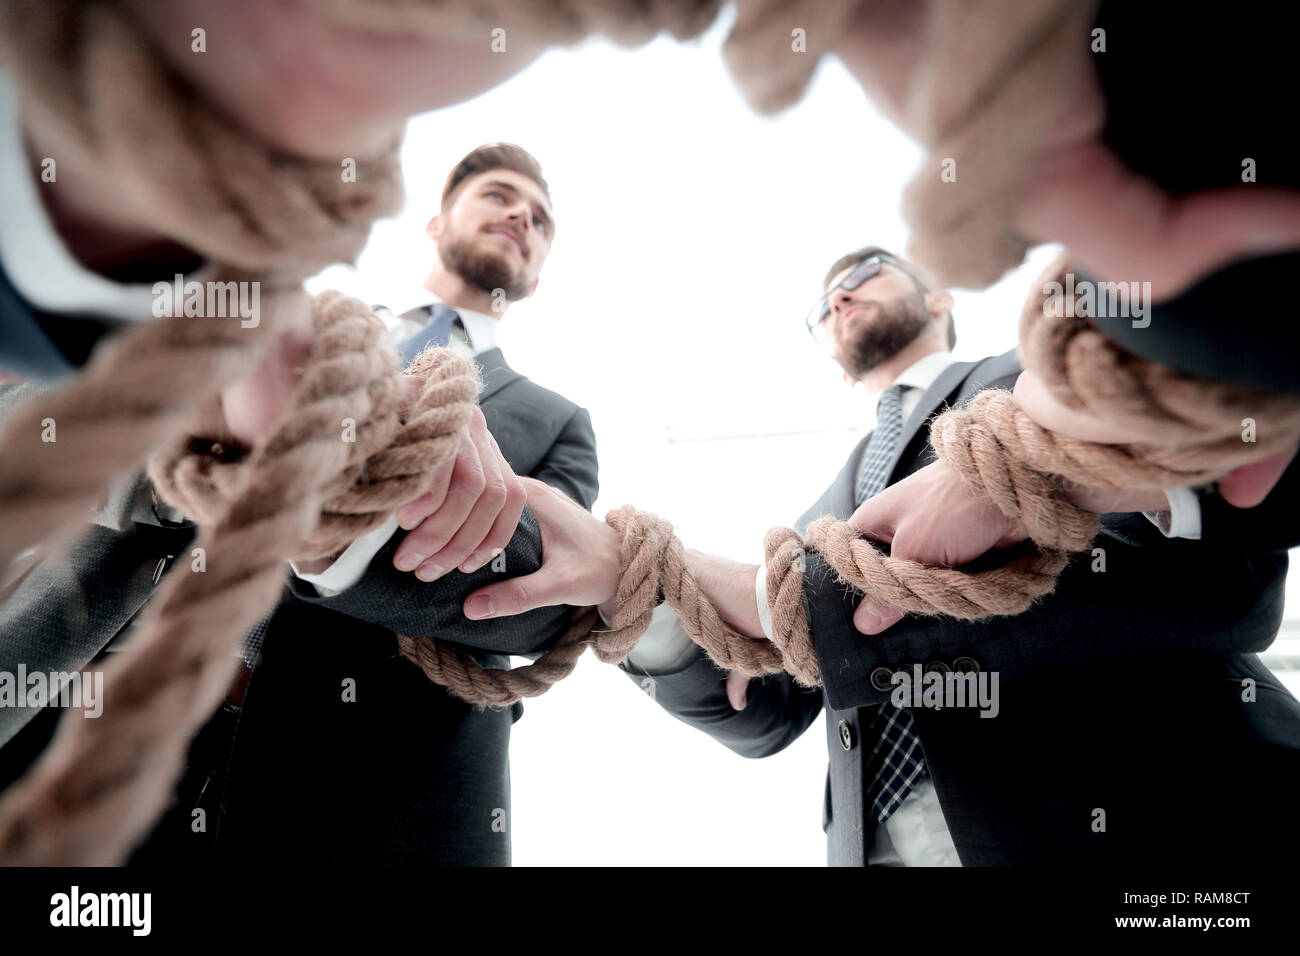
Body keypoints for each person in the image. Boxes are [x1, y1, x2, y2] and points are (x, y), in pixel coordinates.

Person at [473, 246, 1300, 865]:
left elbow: (1227, 572)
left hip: (1154, 826)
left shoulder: (1052, 375)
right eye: (822, 303)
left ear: (940, 299)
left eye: (864, 269)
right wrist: (652, 601)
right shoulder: (822, 513)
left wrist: (776, 600)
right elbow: (766, 713)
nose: (839, 295)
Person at [0, 142, 598, 867]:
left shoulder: (557, 421)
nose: (521, 218)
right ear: (437, 225)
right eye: (500, 196)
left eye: (540, 220)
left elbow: (541, 592)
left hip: (361, 780)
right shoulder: (282, 315)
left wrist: (328, 521)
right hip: (92, 690)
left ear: (536, 275)